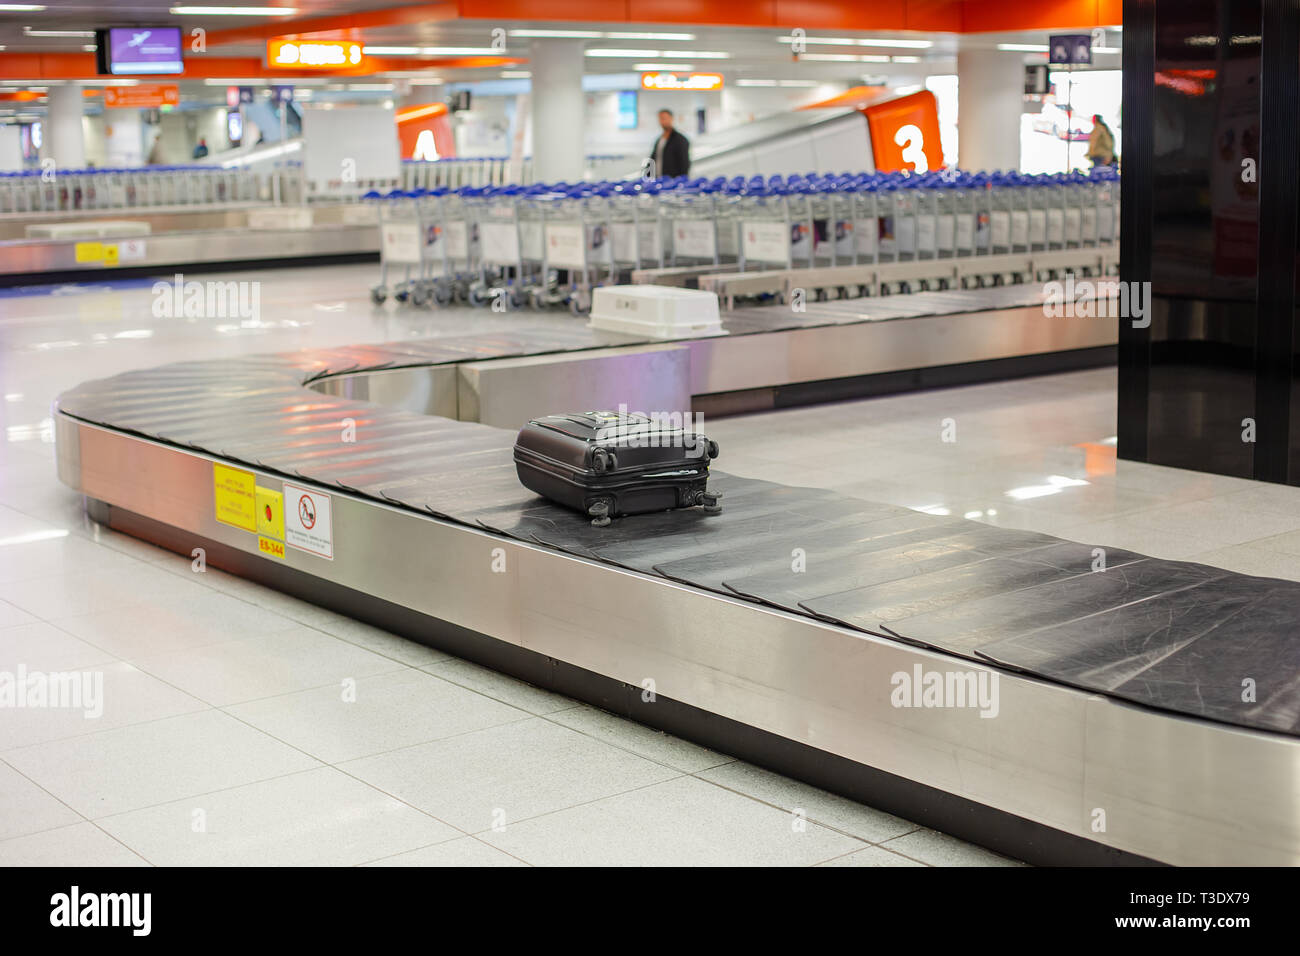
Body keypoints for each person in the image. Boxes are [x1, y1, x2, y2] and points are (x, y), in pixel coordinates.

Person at [648, 109, 690, 179]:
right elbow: (653, 160)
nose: (662, 121)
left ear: (671, 119)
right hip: (658, 180)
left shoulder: (680, 140)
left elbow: (684, 163)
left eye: (664, 118)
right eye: (660, 119)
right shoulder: (659, 140)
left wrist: (681, 181)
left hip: (672, 182)